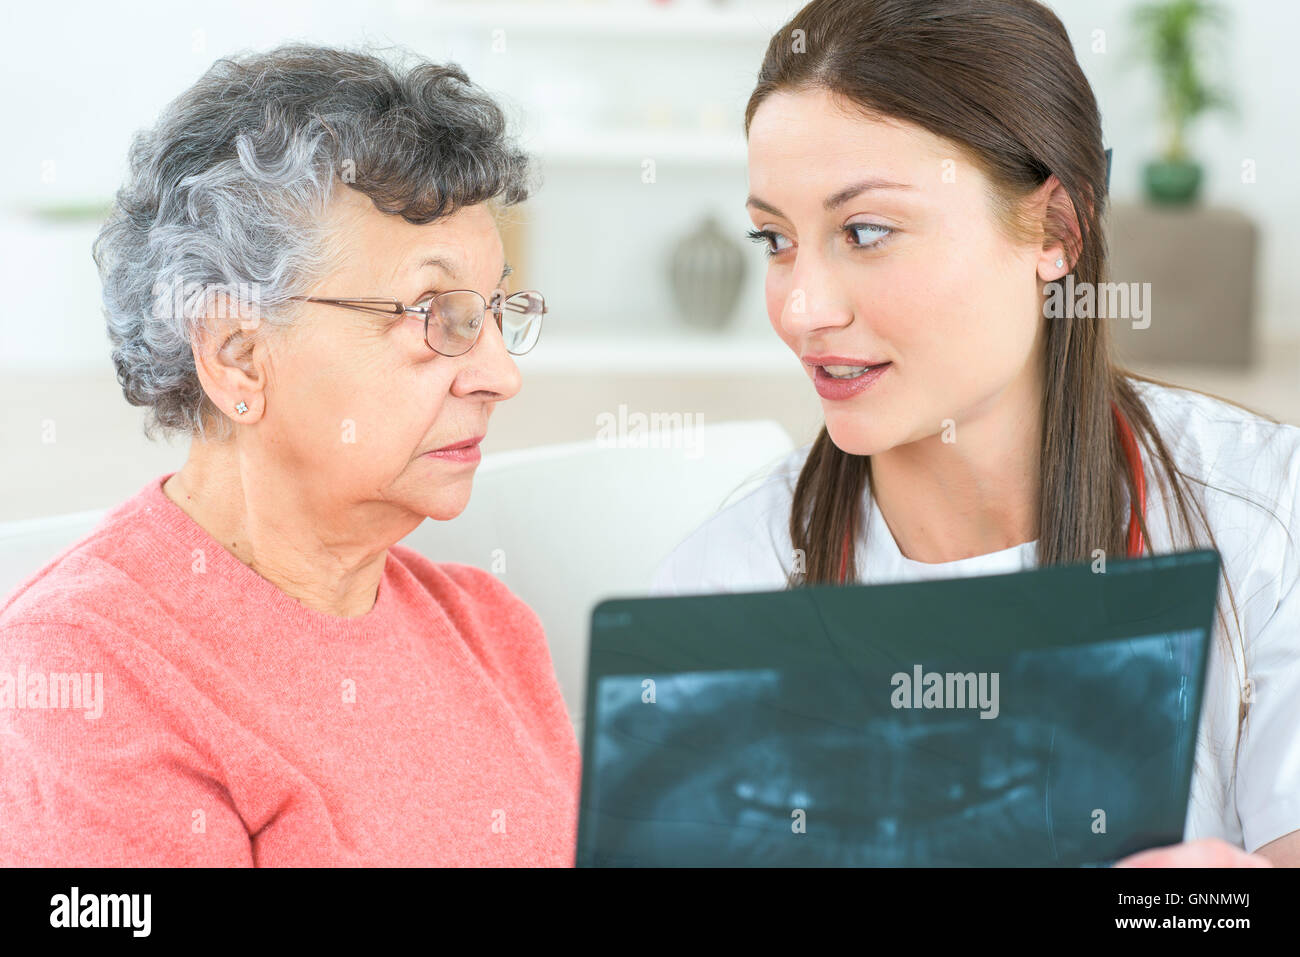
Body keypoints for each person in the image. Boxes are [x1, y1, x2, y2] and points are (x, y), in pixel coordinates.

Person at [653, 0, 1297, 867]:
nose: (802, 308)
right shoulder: (722, 596)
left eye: (866, 231)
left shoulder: (1266, 521)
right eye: (774, 238)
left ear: (1056, 230)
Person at [0, 44, 575, 866]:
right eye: (431, 311)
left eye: (490, 311)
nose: (500, 374)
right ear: (236, 353)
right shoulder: (80, 671)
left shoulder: (490, 629)